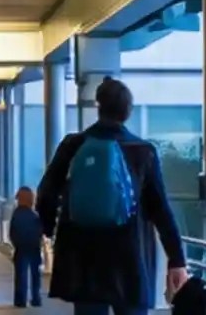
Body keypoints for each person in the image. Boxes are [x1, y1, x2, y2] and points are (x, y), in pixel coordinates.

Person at [35, 77, 189, 315]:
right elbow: (160, 209)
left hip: (83, 257)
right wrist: (176, 260)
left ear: (99, 106)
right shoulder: (142, 152)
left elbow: (46, 193)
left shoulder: (73, 145)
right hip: (130, 257)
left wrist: (48, 230)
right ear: (128, 111)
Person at [9, 186, 44, 308]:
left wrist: (16, 244)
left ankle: (20, 300)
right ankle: (36, 298)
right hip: (34, 248)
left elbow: (12, 233)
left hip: (21, 248)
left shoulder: (16, 214)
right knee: (35, 275)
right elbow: (40, 231)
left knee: (21, 275)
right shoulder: (34, 215)